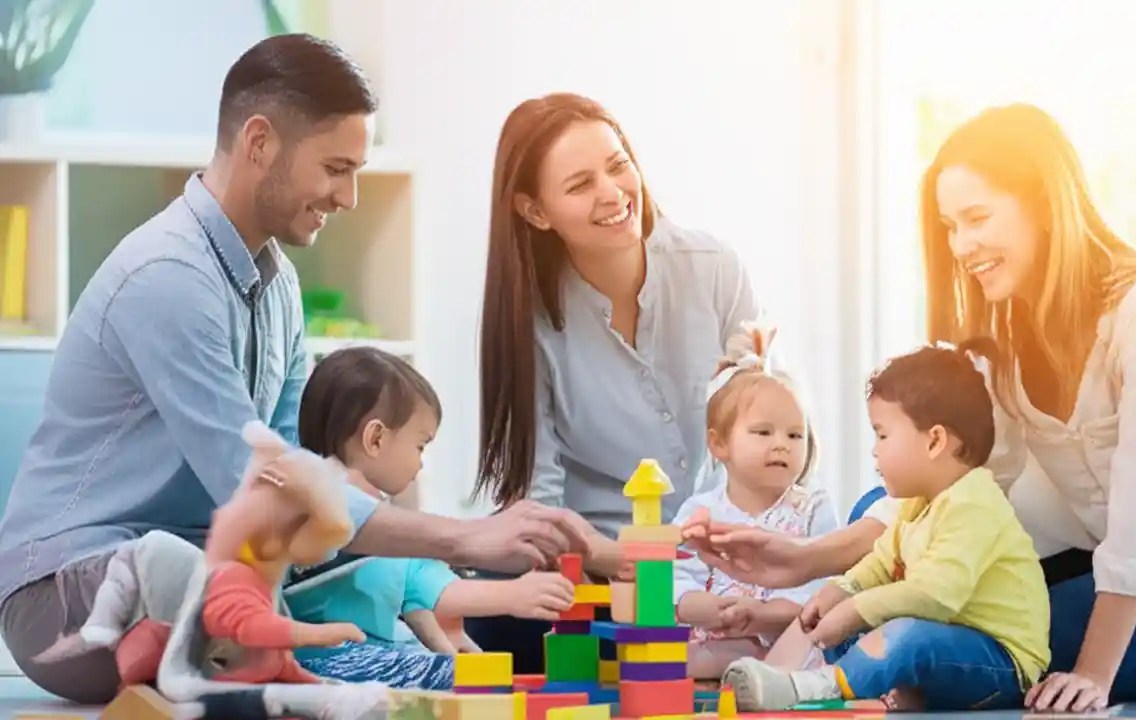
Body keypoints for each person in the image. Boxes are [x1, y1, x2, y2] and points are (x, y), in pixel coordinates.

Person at [0, 34, 583, 704]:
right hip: (66, 600)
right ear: (259, 143)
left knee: (336, 593)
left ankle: (375, 675)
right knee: (220, 585)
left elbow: (315, 476)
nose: (350, 196)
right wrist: (469, 538)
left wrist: (431, 554)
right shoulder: (166, 277)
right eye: (336, 167)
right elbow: (263, 487)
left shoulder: (276, 288)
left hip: (209, 584)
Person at [686, 102, 1136, 713]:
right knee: (894, 517)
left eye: (977, 217)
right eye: (950, 225)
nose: (961, 244)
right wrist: (807, 559)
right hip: (1092, 560)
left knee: (988, 641)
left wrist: (1094, 675)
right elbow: (956, 481)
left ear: (1045, 207)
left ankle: (837, 668)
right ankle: (794, 670)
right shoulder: (1011, 341)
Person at [466, 92, 763, 671]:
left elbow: (769, 420)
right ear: (535, 211)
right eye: (579, 185)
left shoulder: (713, 268)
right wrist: (611, 557)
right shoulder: (528, 321)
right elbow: (539, 497)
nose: (613, 193)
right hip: (598, 566)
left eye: (618, 164)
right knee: (501, 606)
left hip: (712, 556)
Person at [714, 342, 1049, 712]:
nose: (874, 450)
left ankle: (814, 687)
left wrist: (856, 609)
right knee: (857, 626)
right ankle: (888, 686)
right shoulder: (917, 505)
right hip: (950, 646)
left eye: (882, 434)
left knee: (905, 633)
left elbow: (935, 595)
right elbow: (879, 563)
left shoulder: (975, 504)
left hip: (1002, 662)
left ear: (935, 440)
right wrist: (837, 594)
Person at [285, 347, 576, 688]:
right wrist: (515, 595)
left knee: (469, 674)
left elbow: (414, 599)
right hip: (325, 657)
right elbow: (436, 589)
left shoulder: (379, 517)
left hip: (373, 651)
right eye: (420, 446)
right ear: (375, 439)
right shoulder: (328, 503)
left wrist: (446, 646)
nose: (420, 463)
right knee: (454, 678)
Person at [672, 324, 839, 679]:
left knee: (804, 657)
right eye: (763, 432)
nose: (782, 444)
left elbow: (823, 591)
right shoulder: (700, 511)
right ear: (719, 445)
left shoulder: (813, 508)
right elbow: (676, 577)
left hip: (787, 639)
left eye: (795, 435)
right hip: (714, 639)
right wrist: (709, 609)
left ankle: (763, 674)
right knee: (672, 662)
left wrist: (762, 614)